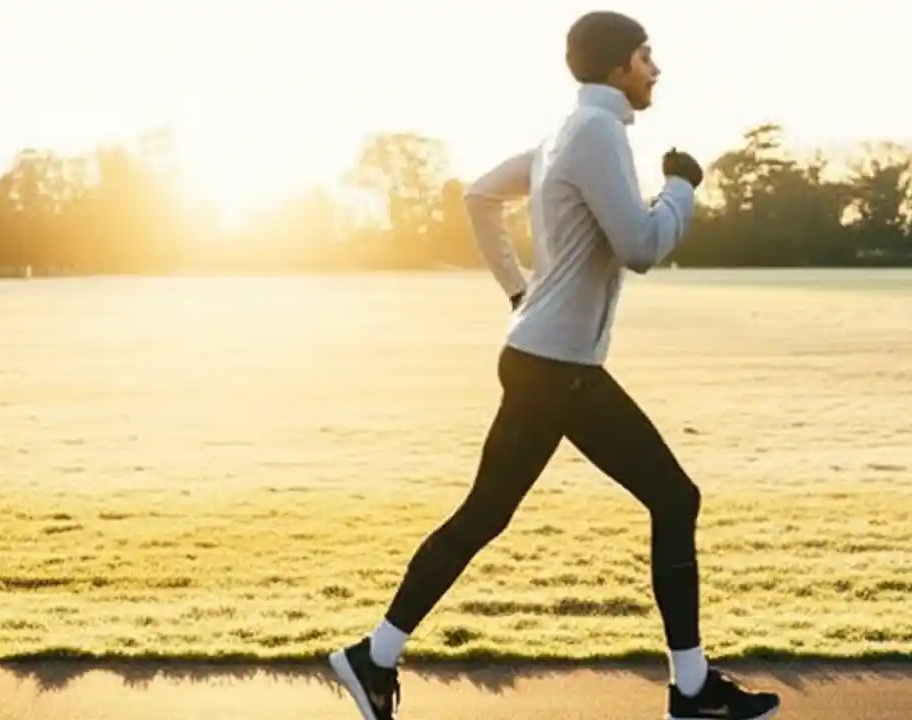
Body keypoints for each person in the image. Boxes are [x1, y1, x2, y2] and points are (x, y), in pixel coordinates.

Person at [329, 10, 780, 720]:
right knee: (674, 498)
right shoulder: (598, 133)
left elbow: (479, 195)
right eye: (645, 56)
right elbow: (638, 245)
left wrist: (520, 292)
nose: (655, 69)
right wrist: (682, 187)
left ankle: (374, 656)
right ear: (615, 68)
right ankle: (691, 691)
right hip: (558, 370)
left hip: (541, 361)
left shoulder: (565, 135)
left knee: (485, 514)